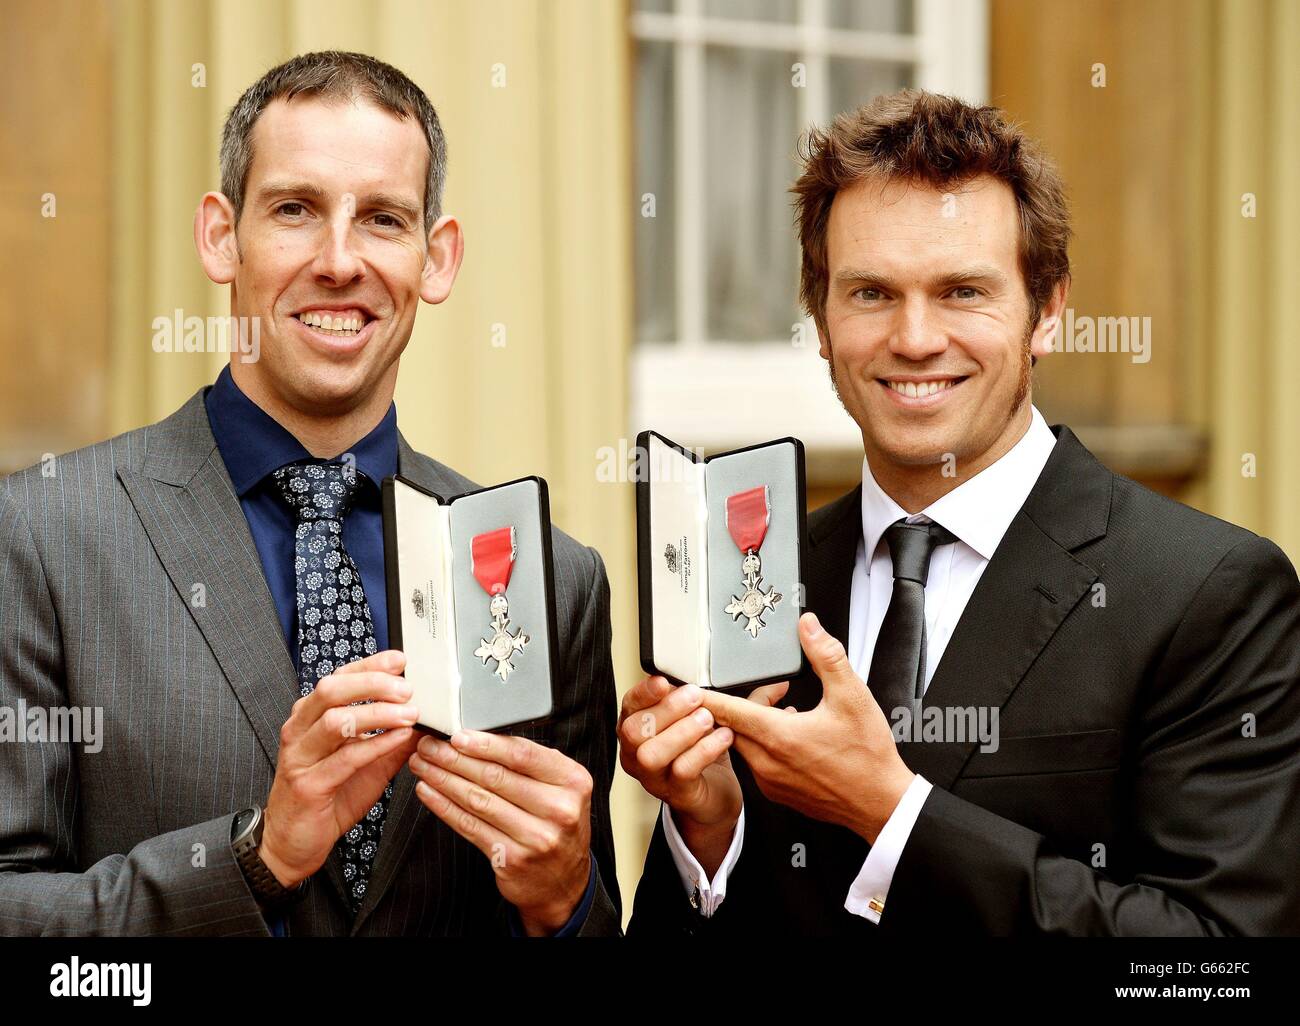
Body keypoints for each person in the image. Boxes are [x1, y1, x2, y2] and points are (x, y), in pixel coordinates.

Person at [623, 90, 1300, 936]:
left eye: (962, 292)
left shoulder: (1209, 592)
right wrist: (711, 833)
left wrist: (894, 815)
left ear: (1046, 312)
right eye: (871, 293)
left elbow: (1212, 967)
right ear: (821, 320)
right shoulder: (755, 576)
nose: (914, 338)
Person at [0, 51, 619, 937]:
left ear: (435, 260)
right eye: (295, 210)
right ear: (222, 236)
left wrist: (567, 903)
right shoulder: (42, 538)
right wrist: (256, 860)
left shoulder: (554, 581)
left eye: (382, 219)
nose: (339, 261)